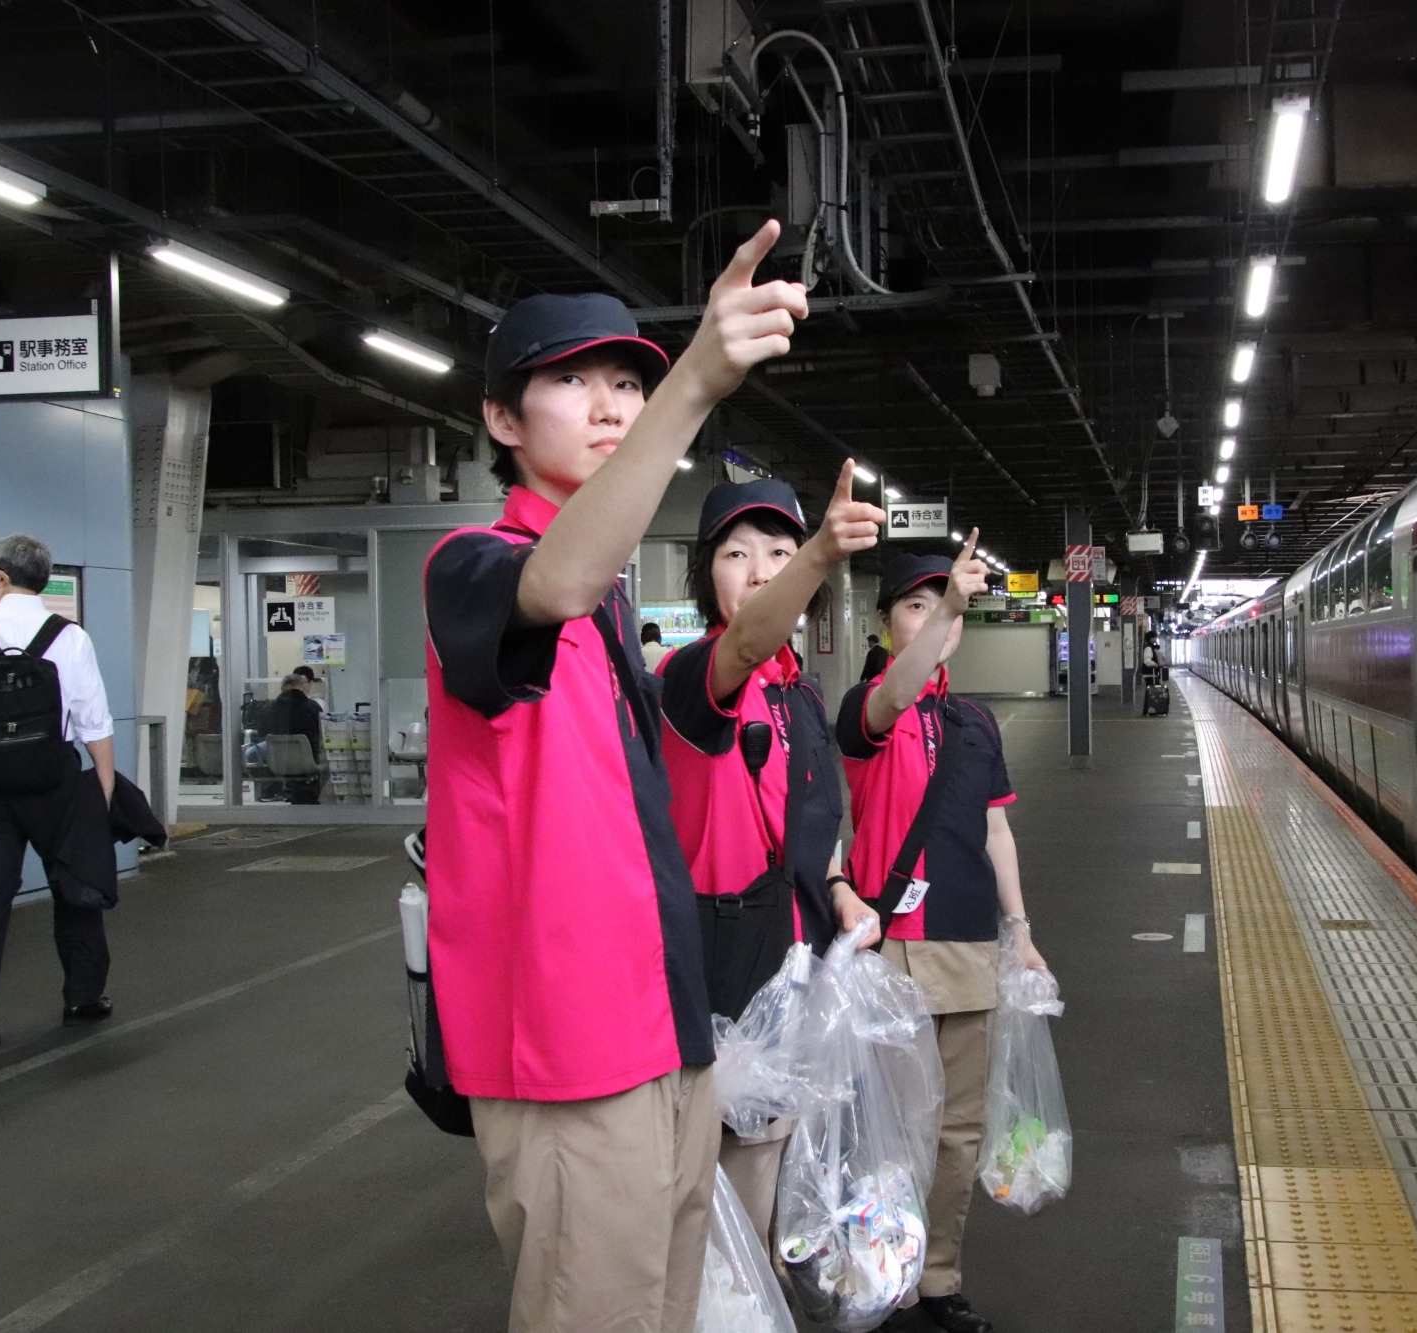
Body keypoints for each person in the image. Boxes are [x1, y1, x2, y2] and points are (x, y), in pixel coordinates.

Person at [421, 220, 806, 1333]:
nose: (606, 405)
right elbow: (554, 577)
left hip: (664, 1037)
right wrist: (691, 380)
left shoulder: (612, 613)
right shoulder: (479, 570)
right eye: (569, 382)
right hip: (569, 1054)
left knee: (668, 1308)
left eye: (625, 386)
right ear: (500, 416)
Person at [656, 467, 886, 1242]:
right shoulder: (693, 680)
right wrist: (820, 550)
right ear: (704, 573)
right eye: (736, 554)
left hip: (798, 981)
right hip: (720, 992)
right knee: (724, 1217)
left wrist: (841, 886)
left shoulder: (802, 696)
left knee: (783, 1196)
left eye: (780, 553)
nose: (759, 572)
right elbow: (748, 637)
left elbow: (811, 830)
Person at [836, 540, 1047, 1333]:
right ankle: (878, 1273)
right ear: (888, 623)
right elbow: (896, 692)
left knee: (959, 1131)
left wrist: (1019, 931)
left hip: (968, 947)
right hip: (892, 951)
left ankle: (937, 1276)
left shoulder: (976, 722)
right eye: (916, 606)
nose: (935, 619)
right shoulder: (868, 711)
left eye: (944, 604)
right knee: (890, 1129)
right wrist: (953, 606)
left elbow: (996, 832)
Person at [0, 536, 117, 1052]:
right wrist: (102, 790)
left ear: (2, 578)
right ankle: (82, 997)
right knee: (72, 886)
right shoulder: (69, 636)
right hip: (53, 781)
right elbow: (93, 722)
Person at [265, 674, 325, 804]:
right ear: (303, 687)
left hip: (278, 761)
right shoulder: (313, 707)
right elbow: (323, 734)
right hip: (308, 761)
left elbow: (262, 733)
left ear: (282, 689)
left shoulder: (269, 708)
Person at [1140, 636, 1165, 716]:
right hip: (1150, 673)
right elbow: (1147, 660)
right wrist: (1154, 664)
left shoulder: (1150, 647)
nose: (1156, 638)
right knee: (1151, 692)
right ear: (1151, 638)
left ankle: (1151, 709)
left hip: (1151, 674)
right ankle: (1150, 710)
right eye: (1154, 637)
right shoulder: (1148, 648)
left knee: (1151, 692)